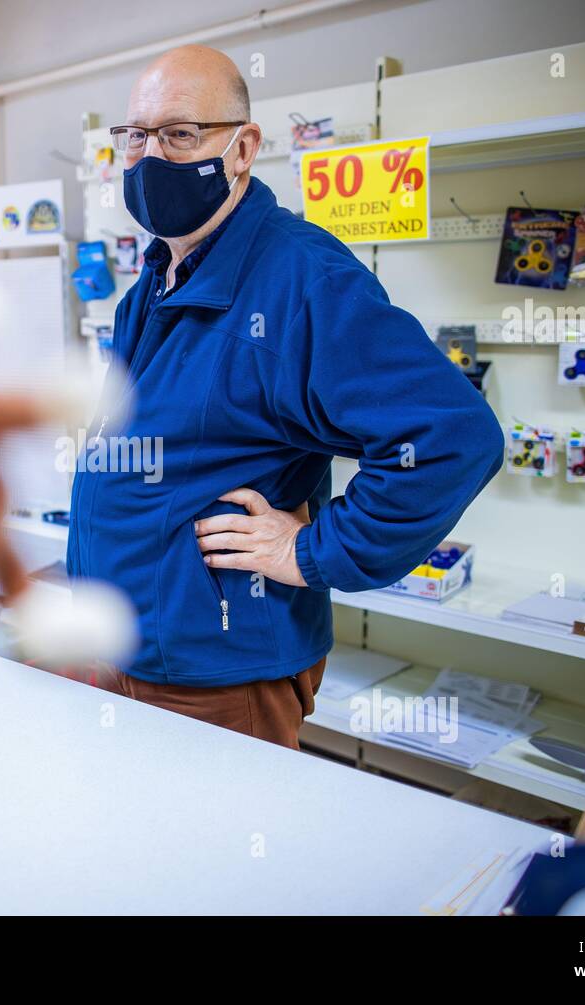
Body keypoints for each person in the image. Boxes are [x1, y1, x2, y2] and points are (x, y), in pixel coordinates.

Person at [67, 45, 503, 749]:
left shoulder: (301, 278)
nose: (150, 158)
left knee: (209, 858)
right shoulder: (154, 280)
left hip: (214, 677)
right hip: (124, 653)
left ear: (242, 150)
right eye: (136, 136)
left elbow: (453, 438)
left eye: (180, 135)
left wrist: (309, 551)